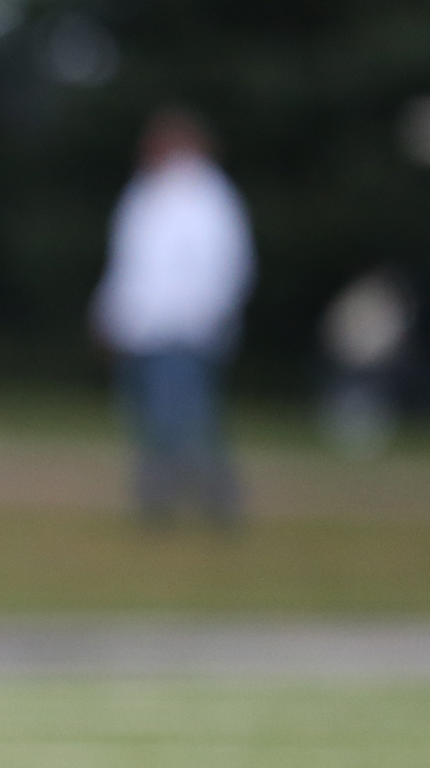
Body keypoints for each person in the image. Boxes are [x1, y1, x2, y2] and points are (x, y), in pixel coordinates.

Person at [91, 107, 254, 527]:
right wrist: (113, 316)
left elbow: (225, 266)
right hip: (143, 330)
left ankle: (210, 502)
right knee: (152, 420)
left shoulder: (207, 197)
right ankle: (162, 502)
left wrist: (200, 318)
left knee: (185, 420)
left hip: (183, 330)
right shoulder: (146, 193)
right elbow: (131, 265)